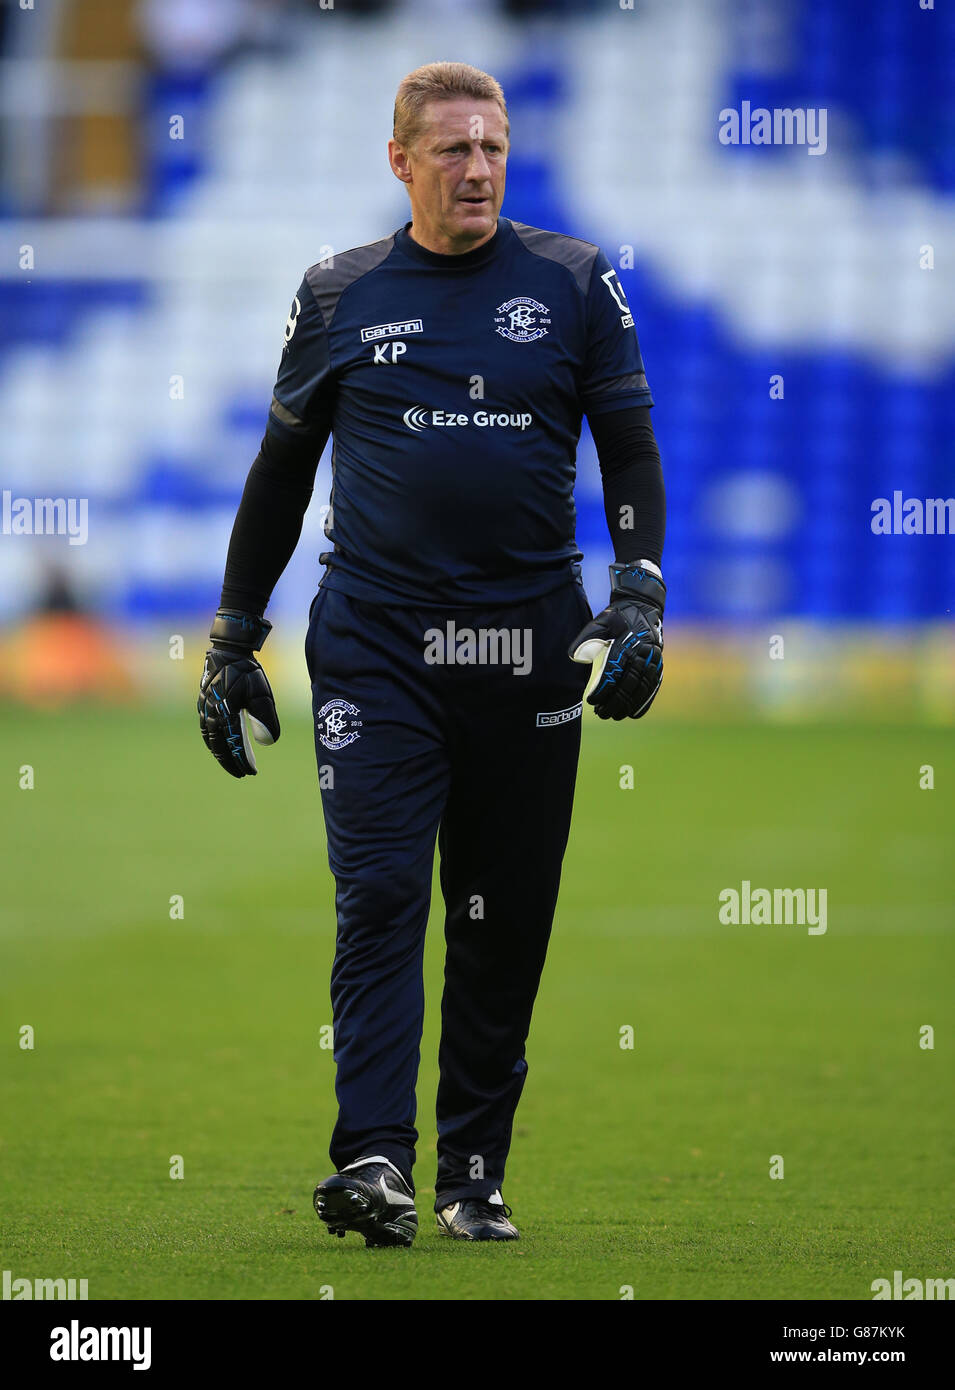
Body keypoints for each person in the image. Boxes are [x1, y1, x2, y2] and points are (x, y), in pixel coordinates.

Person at [197, 60, 666, 1247]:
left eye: (494, 148)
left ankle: (472, 1172)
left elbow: (629, 445)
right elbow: (278, 474)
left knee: (502, 915)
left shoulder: (572, 281)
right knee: (384, 892)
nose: (478, 169)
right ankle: (371, 1158)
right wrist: (232, 638)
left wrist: (641, 598)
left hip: (529, 645)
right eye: (453, 149)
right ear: (400, 160)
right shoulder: (339, 290)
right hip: (376, 644)